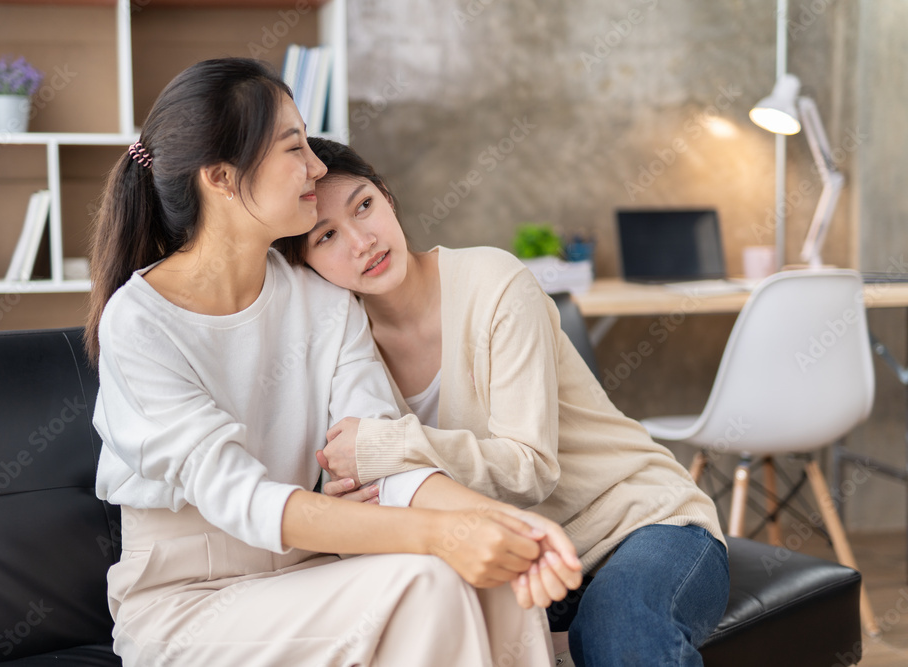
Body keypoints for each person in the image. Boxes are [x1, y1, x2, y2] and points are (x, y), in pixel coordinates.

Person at [85, 58, 580, 666]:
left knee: (493, 571)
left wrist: (506, 527)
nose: (317, 167)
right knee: (430, 577)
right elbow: (244, 498)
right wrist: (442, 533)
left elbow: (381, 459)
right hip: (189, 600)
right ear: (219, 177)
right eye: (294, 148)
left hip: (310, 572)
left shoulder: (321, 298)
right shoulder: (139, 323)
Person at [273, 137, 731, 666]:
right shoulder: (345, 349)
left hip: (644, 525)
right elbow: (363, 488)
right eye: (326, 235)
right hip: (523, 557)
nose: (361, 241)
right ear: (305, 266)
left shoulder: (495, 282)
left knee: (618, 627)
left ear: (387, 197)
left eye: (364, 206)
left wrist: (383, 446)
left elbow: (529, 468)